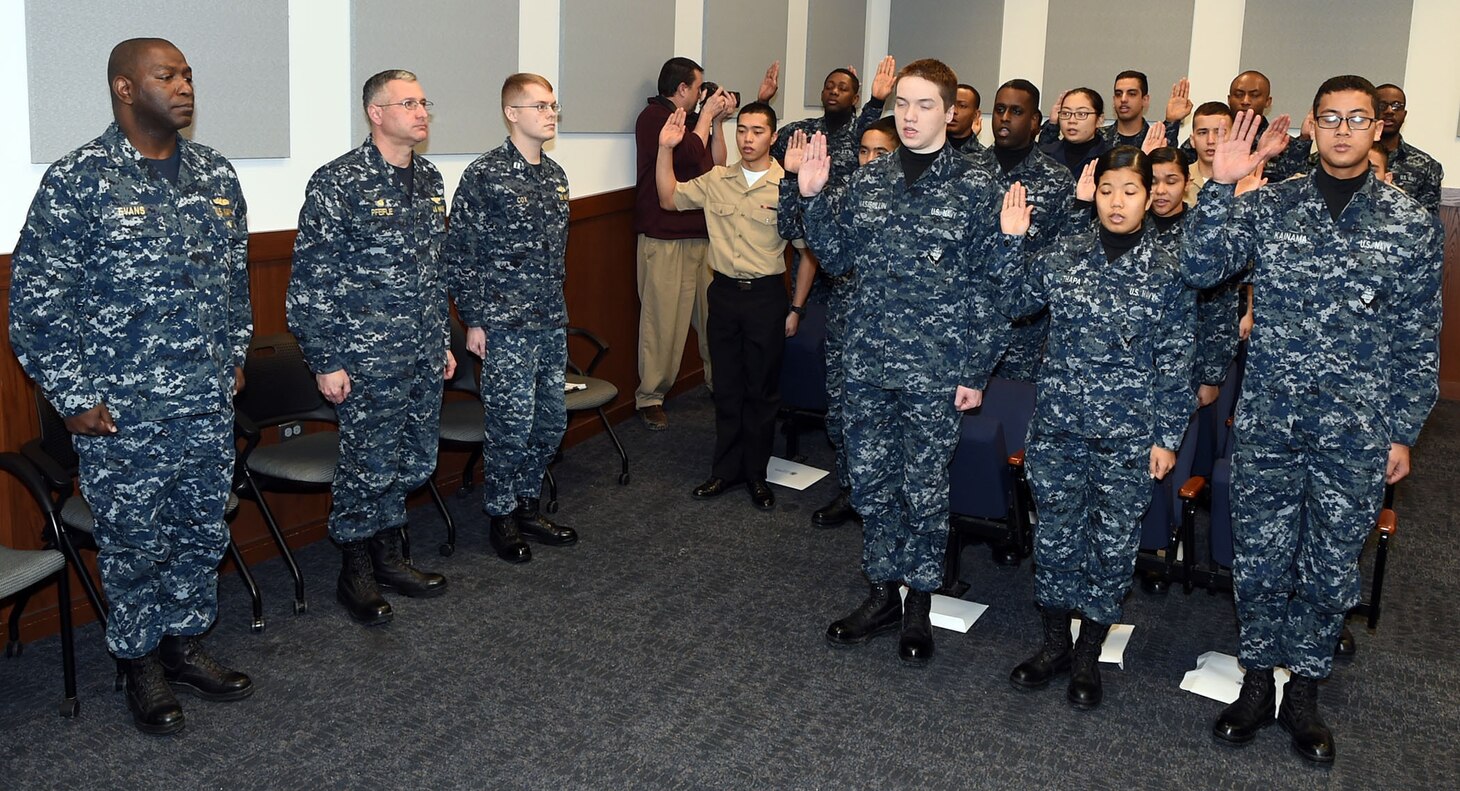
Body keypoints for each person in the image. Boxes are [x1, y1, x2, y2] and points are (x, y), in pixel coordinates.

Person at [1183, 76, 1442, 764]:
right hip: (1271, 420)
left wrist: (1403, 429)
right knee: (1262, 556)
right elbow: (1200, 266)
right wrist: (1219, 182)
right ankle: (1259, 681)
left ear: (1378, 130)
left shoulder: (1410, 222)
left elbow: (1420, 337)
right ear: (1314, 128)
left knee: (1330, 568)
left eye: (1358, 118)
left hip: (1356, 430)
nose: (1344, 129)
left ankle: (1305, 693)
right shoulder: (1272, 205)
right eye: (1331, 117)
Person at [9, 37, 253, 734]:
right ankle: (139, 660)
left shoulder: (213, 173)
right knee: (134, 539)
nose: (184, 86)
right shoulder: (80, 179)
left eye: (187, 75)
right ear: (124, 88)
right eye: (166, 75)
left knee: (202, 531)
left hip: (205, 403)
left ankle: (183, 642)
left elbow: (234, 281)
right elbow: (36, 300)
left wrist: (233, 351)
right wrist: (72, 393)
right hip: (124, 412)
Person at [788, 58, 1006, 666]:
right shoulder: (870, 180)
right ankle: (882, 592)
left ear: (952, 112)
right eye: (901, 105)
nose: (910, 117)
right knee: (874, 483)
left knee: (924, 489)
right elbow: (835, 260)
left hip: (935, 369)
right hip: (866, 361)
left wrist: (975, 370)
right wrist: (810, 201)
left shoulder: (975, 187)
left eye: (924, 106)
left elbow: (991, 289)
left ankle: (918, 608)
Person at [998, 146, 1193, 709]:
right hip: (1060, 425)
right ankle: (1055, 643)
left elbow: (1176, 360)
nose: (1117, 202)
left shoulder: (1170, 268)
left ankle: (1089, 654)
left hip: (1129, 433)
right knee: (1056, 536)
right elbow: (1015, 304)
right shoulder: (1066, 253)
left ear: (1150, 196)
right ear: (1095, 191)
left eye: (1131, 191)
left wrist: (1166, 437)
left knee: (1112, 544)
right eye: (1107, 189)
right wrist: (1014, 240)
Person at [287, 69, 450, 626]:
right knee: (367, 465)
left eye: (424, 101)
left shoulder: (429, 180)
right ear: (376, 114)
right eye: (408, 102)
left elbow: (433, 271)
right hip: (365, 358)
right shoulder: (339, 182)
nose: (421, 111)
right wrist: (325, 358)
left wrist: (442, 339)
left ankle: (390, 555)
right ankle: (356, 568)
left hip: (422, 351)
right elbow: (310, 281)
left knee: (414, 460)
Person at [445, 73, 578, 563]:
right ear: (512, 113)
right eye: (539, 105)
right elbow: (461, 253)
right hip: (503, 325)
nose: (550, 113)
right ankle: (501, 514)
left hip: (549, 322)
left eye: (553, 105)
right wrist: (474, 319)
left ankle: (527, 503)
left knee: (550, 421)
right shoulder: (484, 175)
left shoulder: (557, 176)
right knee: (510, 424)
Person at [633, 57, 778, 431]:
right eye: (699, 89)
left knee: (714, 320)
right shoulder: (655, 118)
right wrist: (702, 118)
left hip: (705, 235)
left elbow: (715, 165)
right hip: (666, 235)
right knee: (662, 320)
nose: (703, 95)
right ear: (682, 89)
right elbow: (684, 155)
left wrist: (715, 121)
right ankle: (651, 396)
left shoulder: (696, 120)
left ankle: (721, 383)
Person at [658, 103, 789, 510]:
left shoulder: (788, 185)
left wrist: (797, 308)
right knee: (728, 387)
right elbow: (667, 199)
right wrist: (666, 149)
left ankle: (756, 473)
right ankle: (725, 470)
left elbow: (805, 252)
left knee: (761, 391)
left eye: (757, 132)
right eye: (742, 130)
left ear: (772, 137)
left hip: (767, 296)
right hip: (725, 294)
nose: (748, 139)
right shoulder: (717, 180)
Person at [780, 116, 902, 529]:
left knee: (889, 425)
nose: (869, 160)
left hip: (893, 337)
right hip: (845, 326)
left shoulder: (912, 200)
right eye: (863, 151)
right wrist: (792, 180)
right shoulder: (845, 192)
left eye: (880, 152)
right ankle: (852, 490)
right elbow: (791, 228)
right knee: (842, 415)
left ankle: (888, 503)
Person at [977, 80, 1074, 395]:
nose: (1004, 118)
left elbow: (1063, 255)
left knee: (1013, 415)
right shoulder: (968, 171)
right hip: (970, 318)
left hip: (1025, 329)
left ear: (1036, 121)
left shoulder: (1057, 179)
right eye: (1000, 109)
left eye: (1016, 111)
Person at [1374, 83, 1444, 214]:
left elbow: (1428, 220)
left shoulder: (1427, 166)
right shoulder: (1352, 156)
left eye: (1396, 106)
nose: (1389, 111)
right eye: (1381, 105)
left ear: (1404, 114)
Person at [1038, 87, 1112, 176]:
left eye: (1081, 114)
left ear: (1099, 120)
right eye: (1066, 113)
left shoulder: (1110, 158)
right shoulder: (1044, 155)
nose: (1071, 120)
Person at [947, 83, 984, 153]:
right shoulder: (926, 148)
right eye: (950, 104)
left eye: (962, 106)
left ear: (976, 115)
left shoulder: (984, 157)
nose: (954, 111)